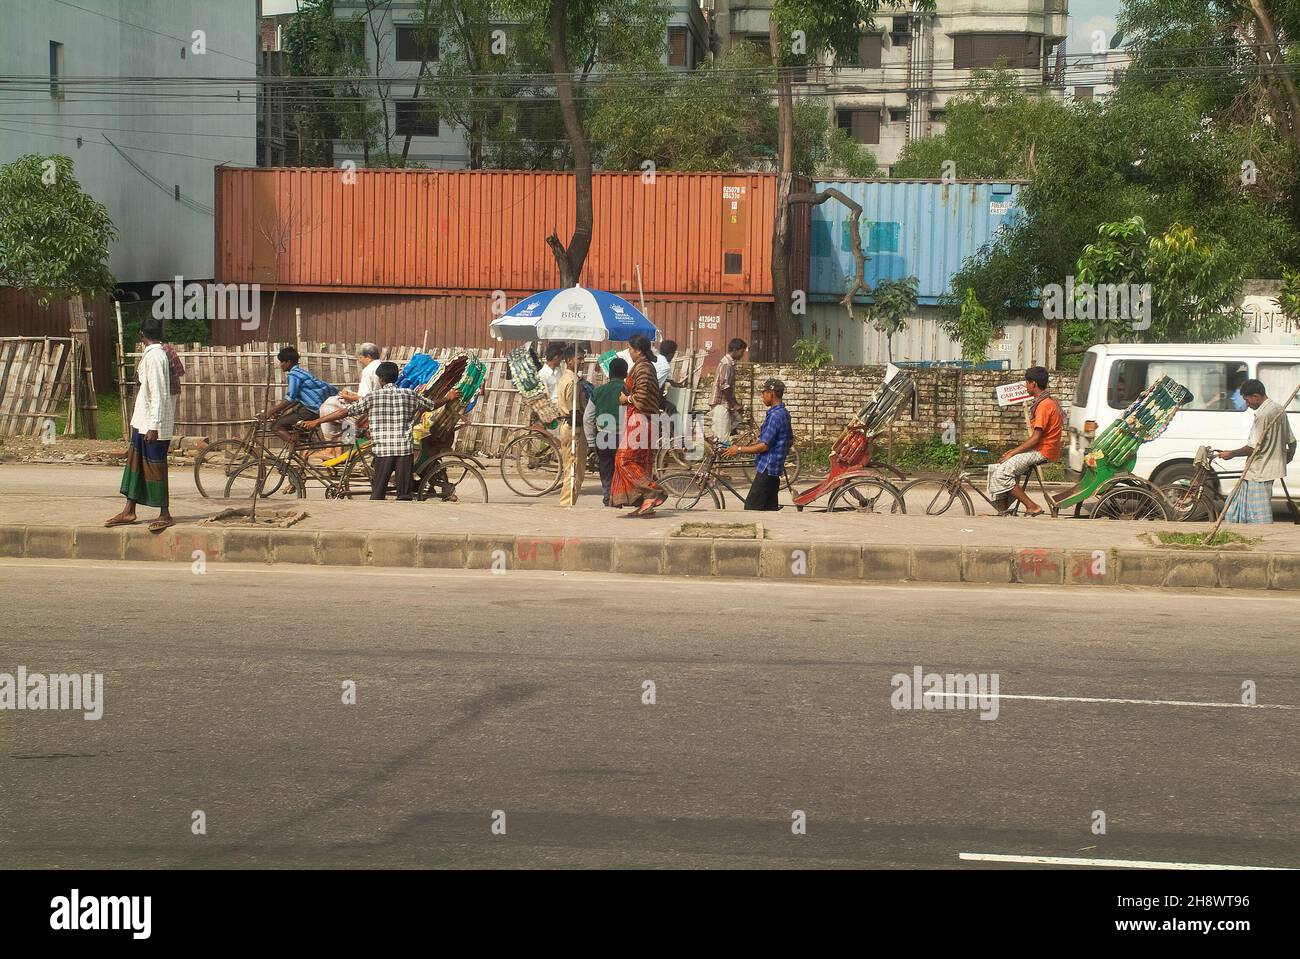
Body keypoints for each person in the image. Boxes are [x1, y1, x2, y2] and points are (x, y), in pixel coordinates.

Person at [302, 361, 453, 501]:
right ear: (396, 377)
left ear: (381, 379)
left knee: (378, 494)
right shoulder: (409, 394)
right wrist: (448, 397)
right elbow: (432, 405)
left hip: (383, 450)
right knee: (404, 496)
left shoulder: (372, 397)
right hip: (404, 450)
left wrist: (316, 421)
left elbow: (345, 412)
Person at [106, 318, 178, 533]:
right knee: (135, 466)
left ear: (141, 335)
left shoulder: (155, 357)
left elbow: (159, 393)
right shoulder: (154, 354)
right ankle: (129, 510)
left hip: (152, 425)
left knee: (155, 467)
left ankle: (165, 513)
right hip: (142, 421)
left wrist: (154, 425)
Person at [1216, 379, 1297, 524]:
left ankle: (1260, 537)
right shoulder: (1278, 409)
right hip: (1267, 470)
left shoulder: (1263, 415)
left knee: (1258, 516)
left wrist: (1231, 454)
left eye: (1247, 400)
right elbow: (1292, 442)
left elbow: (1252, 448)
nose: (1247, 404)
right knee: (1241, 507)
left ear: (1256, 396)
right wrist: (1286, 458)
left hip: (1259, 472)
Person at [987, 366, 1061, 517]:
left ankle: (1032, 506)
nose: (1025, 386)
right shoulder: (1045, 402)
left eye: (1026, 383)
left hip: (1043, 451)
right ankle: (1004, 508)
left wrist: (1013, 452)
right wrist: (1012, 453)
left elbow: (1036, 438)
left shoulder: (1044, 405)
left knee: (1002, 473)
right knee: (1004, 465)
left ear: (1033, 384)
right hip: (1041, 448)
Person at [611, 335, 667, 517]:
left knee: (623, 459)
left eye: (631, 349)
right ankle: (646, 502)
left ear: (638, 350)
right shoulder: (646, 366)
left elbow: (642, 397)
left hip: (641, 420)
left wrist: (625, 398)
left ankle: (653, 491)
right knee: (641, 463)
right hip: (643, 420)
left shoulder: (643, 367)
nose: (629, 353)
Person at [725, 378, 793, 511]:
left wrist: (739, 449)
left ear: (771, 394)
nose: (762, 396)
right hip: (775, 468)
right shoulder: (783, 413)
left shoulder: (775, 416)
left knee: (752, 508)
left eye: (764, 393)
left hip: (768, 468)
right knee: (768, 509)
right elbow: (787, 439)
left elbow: (764, 446)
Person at [261, 347, 338, 447]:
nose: (280, 365)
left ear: (288, 362)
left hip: (311, 410)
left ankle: (300, 448)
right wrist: (281, 411)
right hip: (315, 408)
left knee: (276, 426)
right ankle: (304, 449)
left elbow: (290, 398)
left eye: (281, 362)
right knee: (297, 428)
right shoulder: (302, 372)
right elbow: (297, 398)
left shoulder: (294, 375)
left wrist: (270, 412)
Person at [315, 343, 380, 459]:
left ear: (368, 357)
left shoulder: (368, 370)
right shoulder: (380, 367)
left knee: (327, 408)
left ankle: (331, 450)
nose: (360, 361)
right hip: (375, 407)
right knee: (333, 402)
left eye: (361, 357)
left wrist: (346, 396)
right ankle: (342, 448)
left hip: (366, 413)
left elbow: (364, 398)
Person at [585, 357, 627, 506]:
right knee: (622, 468)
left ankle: (608, 496)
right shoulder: (628, 391)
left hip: (602, 436)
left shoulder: (598, 392)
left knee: (606, 467)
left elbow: (588, 417)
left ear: (609, 373)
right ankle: (620, 497)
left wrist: (590, 441)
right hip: (623, 436)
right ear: (626, 373)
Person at [555, 343, 588, 507]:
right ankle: (566, 504)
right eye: (579, 358)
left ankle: (568, 503)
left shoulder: (568, 378)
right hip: (574, 428)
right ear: (569, 361)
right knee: (574, 470)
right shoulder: (572, 382)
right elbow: (573, 411)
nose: (582, 362)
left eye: (583, 358)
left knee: (571, 468)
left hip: (569, 427)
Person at [711, 338, 746, 445]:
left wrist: (736, 404)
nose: (742, 354)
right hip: (721, 404)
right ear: (735, 350)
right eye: (742, 351)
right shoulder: (726, 364)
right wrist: (734, 404)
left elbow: (729, 388)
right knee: (722, 438)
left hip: (726, 404)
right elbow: (724, 386)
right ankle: (717, 457)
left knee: (738, 419)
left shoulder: (730, 364)